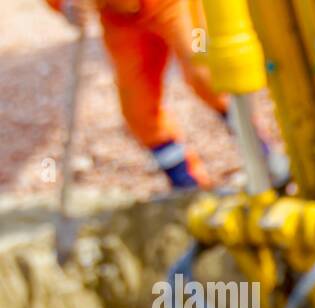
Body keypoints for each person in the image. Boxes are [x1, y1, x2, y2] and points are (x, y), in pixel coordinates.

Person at [48, 0, 228, 189]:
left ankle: (257, 151)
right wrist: (66, 5)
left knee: (205, 72)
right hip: (120, 19)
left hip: (171, 5)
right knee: (137, 110)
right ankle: (188, 184)